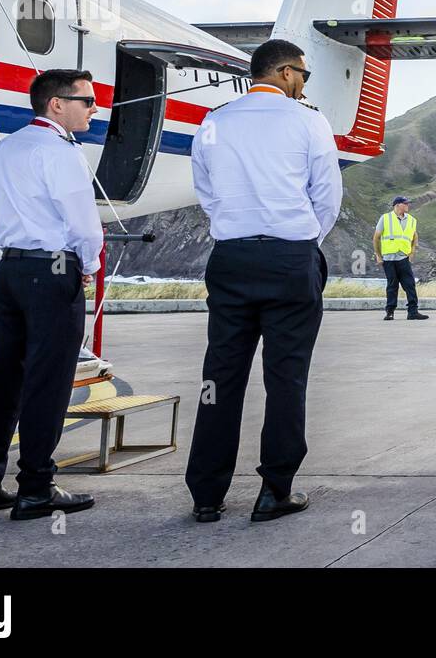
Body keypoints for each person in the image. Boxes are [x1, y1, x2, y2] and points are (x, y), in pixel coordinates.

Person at [185, 39, 342, 523]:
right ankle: (275, 489)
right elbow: (326, 195)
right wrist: (300, 239)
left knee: (220, 376)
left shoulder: (214, 122)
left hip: (230, 260)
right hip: (289, 259)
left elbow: (207, 193)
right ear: (287, 73)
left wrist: (239, 227)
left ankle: (206, 495)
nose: (303, 84)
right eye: (304, 75)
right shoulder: (309, 121)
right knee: (286, 376)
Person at [0, 69, 102, 521]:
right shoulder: (62, 153)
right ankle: (36, 487)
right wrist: (91, 266)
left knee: (5, 377)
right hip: (52, 272)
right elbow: (82, 222)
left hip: (12, 271)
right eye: (87, 100)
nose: (94, 109)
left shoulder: (3, 150)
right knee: (48, 382)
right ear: (56, 104)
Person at [373, 195, 428, 321]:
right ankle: (390, 312)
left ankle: (413, 312)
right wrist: (378, 255)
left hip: (403, 258)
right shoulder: (385, 218)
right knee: (392, 286)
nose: (408, 205)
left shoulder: (412, 220)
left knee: (410, 285)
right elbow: (376, 237)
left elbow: (415, 236)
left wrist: (413, 250)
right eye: (405, 203)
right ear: (397, 205)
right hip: (388, 259)